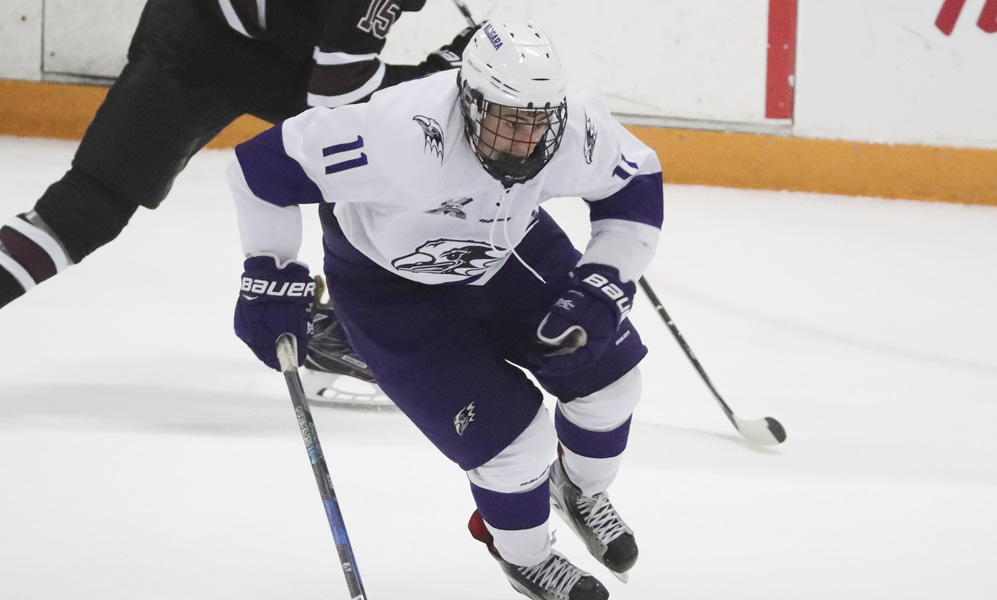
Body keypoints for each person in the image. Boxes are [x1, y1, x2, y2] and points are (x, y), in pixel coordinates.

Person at [228, 20, 663, 600]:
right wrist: (271, 271)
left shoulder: (573, 127)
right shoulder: (399, 132)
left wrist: (607, 278)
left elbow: (634, 182)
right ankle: (526, 557)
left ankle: (578, 489)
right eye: (507, 120)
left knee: (612, 384)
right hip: (387, 288)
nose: (523, 140)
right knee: (516, 447)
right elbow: (259, 168)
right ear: (469, 100)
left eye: (536, 122)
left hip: (505, 251)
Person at [0, 0, 471, 307]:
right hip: (197, 47)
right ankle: (355, 317)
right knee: (87, 210)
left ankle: (352, 317)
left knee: (372, 158)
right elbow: (340, 98)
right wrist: (443, 70)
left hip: (274, 49)